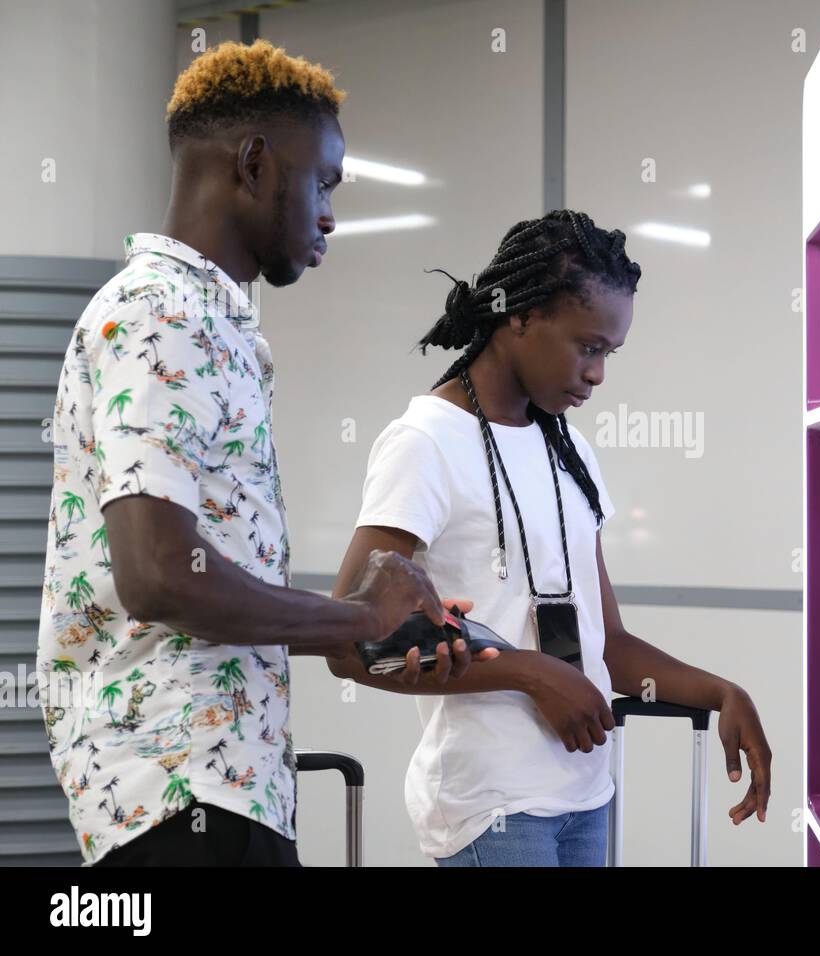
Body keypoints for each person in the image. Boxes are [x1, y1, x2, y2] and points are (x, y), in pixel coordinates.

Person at [35, 39, 485, 868]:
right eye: (323, 183)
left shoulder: (210, 321)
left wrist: (349, 632)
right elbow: (160, 578)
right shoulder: (160, 313)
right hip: (178, 793)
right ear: (252, 163)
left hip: (224, 780)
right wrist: (357, 616)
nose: (329, 215)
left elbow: (199, 572)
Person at [328, 210, 773, 866]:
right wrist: (531, 675)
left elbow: (606, 645)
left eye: (608, 354)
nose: (597, 374)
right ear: (521, 317)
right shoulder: (426, 443)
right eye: (587, 346)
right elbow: (348, 643)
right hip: (495, 809)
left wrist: (724, 692)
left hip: (586, 795)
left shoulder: (568, 450)